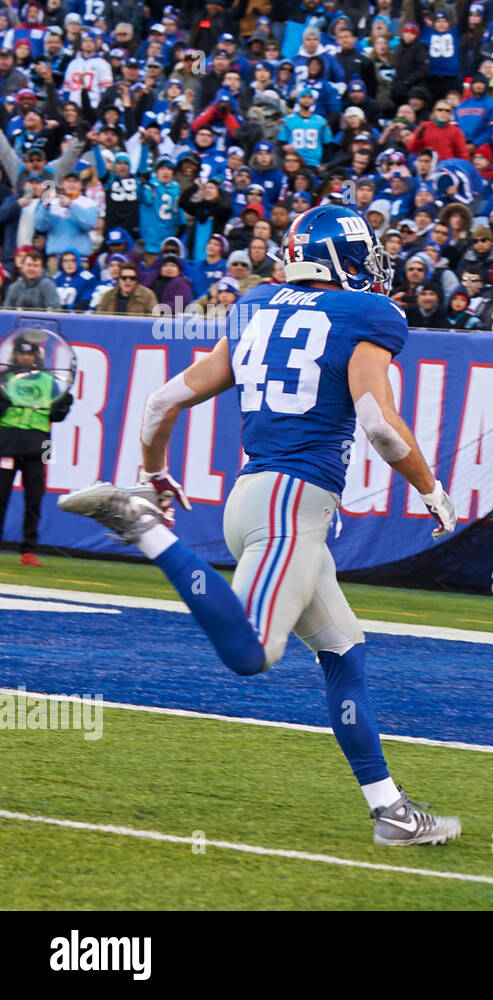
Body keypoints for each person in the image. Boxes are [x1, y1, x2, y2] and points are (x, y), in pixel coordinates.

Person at [57, 205, 461, 848]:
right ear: (337, 259)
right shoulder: (367, 315)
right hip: (290, 507)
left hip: (259, 499)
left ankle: (390, 811)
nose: (371, 265)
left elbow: (162, 401)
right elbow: (381, 428)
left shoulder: (255, 306)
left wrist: (155, 471)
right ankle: (144, 529)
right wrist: (432, 489)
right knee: (251, 653)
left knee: (344, 654)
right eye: (361, 253)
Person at [0, 335, 73, 566]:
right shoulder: (4, 378)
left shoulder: (49, 381)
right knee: (0, 496)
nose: (26, 357)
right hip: (7, 439)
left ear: (37, 356)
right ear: (15, 355)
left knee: (35, 497)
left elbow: (56, 417)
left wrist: (65, 405)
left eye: (30, 353)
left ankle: (28, 551)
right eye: (22, 353)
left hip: (41, 441)